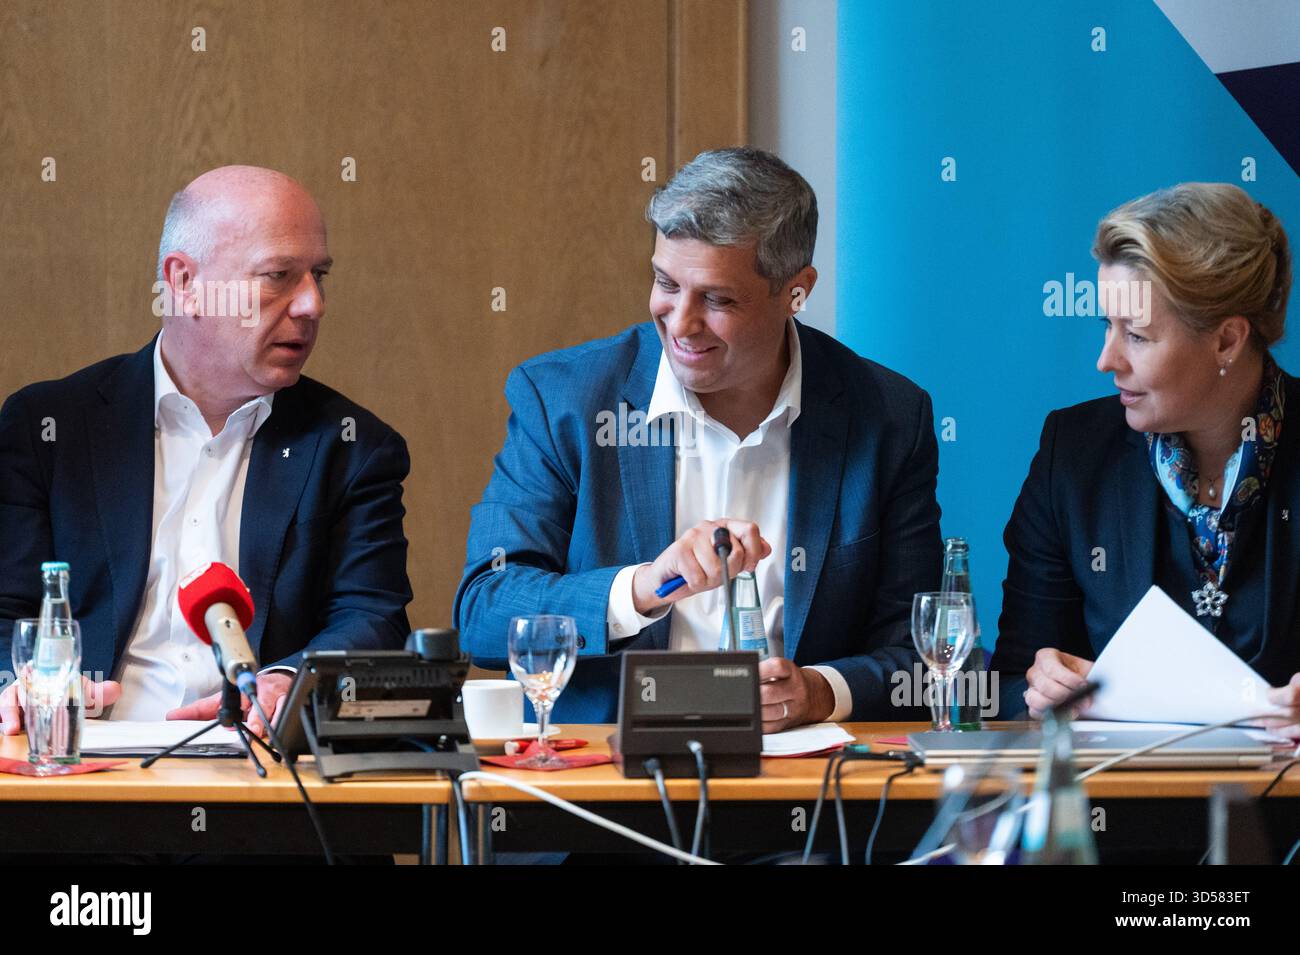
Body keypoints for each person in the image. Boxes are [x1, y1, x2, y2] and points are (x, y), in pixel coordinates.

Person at [455, 147, 941, 728]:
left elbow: (920, 657)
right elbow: (485, 611)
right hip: (601, 785)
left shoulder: (887, 416)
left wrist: (819, 691)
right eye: (666, 283)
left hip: (809, 790)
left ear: (796, 291)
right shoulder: (563, 400)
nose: (680, 323)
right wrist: (638, 588)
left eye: (716, 299)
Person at [0, 165, 412, 737]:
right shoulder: (47, 427)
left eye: (318, 275)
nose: (312, 305)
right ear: (184, 281)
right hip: (82, 763)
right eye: (278, 276)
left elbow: (372, 617)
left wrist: (291, 681)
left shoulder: (352, 447)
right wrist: (17, 682)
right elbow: (7, 610)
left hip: (259, 770)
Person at [991, 183, 1300, 737]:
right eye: (1107, 327)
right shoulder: (1073, 453)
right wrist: (1043, 688)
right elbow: (1011, 680)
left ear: (1227, 339)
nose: (1106, 360)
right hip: (1117, 814)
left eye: (1136, 335)